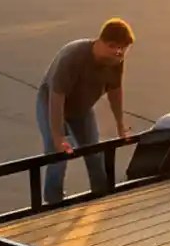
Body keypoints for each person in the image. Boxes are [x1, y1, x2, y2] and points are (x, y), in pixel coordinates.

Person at [36, 18, 135, 204]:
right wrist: (58, 136)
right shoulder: (73, 57)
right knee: (58, 156)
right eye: (113, 46)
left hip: (82, 109)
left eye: (122, 49)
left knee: (94, 152)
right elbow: (57, 97)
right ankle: (53, 202)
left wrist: (120, 124)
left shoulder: (116, 60)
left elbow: (115, 90)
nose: (118, 52)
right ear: (100, 41)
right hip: (51, 103)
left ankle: (100, 196)